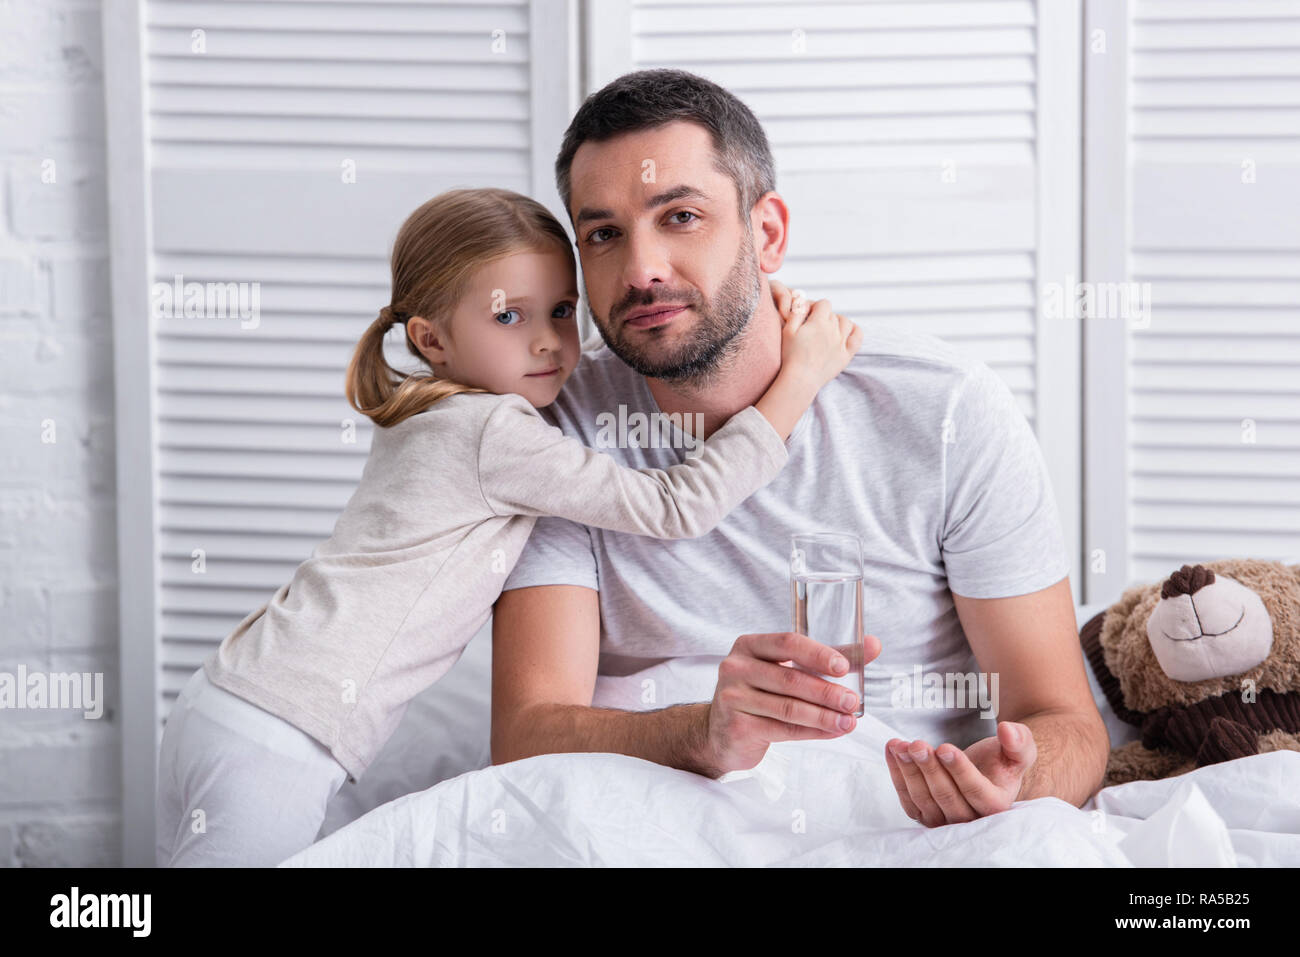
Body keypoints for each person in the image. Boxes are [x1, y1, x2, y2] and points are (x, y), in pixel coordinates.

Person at [155, 186, 861, 866]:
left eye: (560, 311)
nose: (549, 342)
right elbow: (677, 506)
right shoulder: (494, 430)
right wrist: (797, 380)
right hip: (281, 730)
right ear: (432, 339)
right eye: (508, 317)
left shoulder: (426, 412)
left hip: (230, 702)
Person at [490, 69, 1110, 827]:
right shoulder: (553, 422)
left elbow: (1067, 721)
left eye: (680, 216)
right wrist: (704, 731)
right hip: (649, 827)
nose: (642, 269)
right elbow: (526, 734)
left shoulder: (943, 409)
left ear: (769, 233)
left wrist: (1009, 783)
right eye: (604, 234)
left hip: (898, 825)